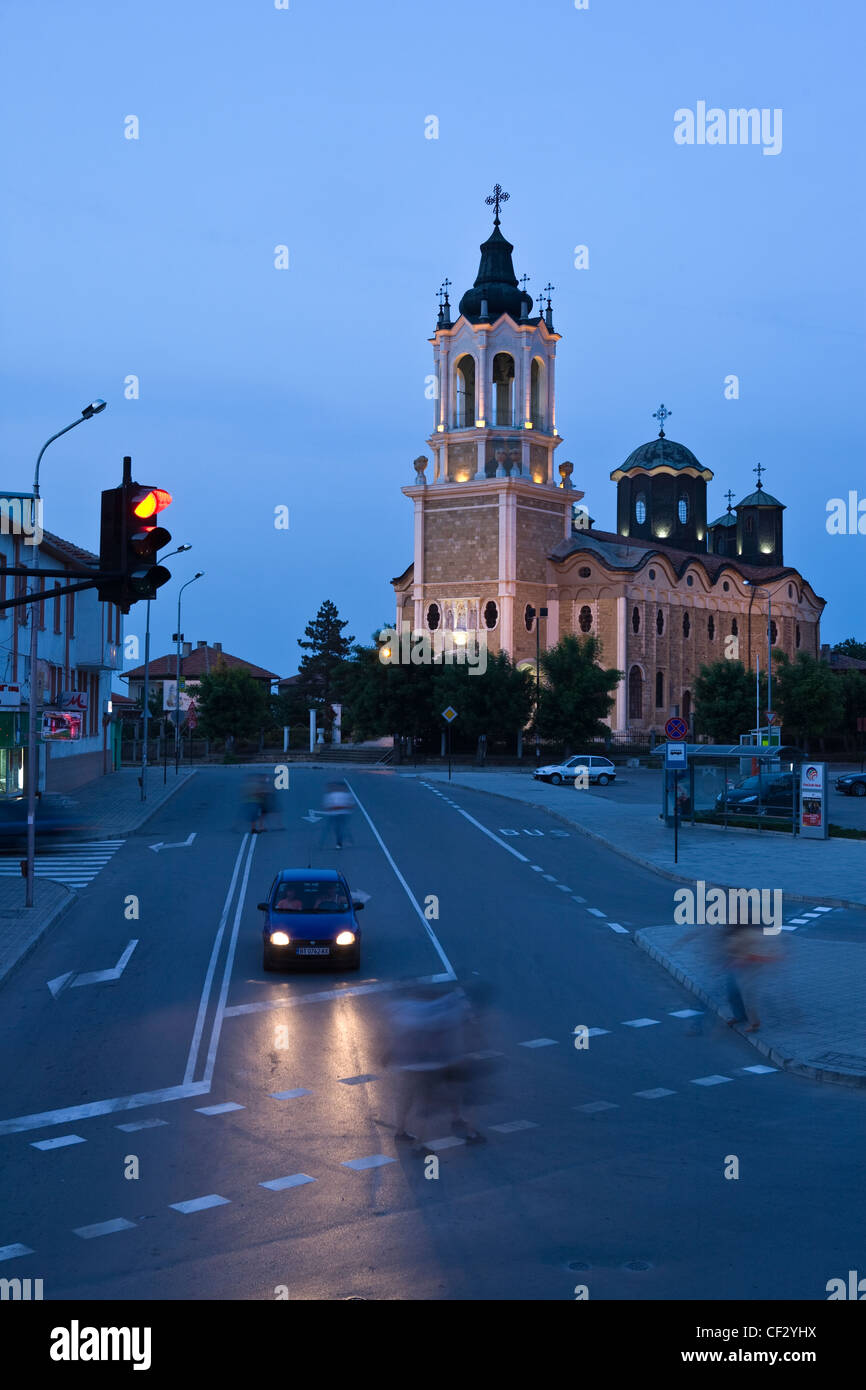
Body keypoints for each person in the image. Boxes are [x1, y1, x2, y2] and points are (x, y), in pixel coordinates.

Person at [319, 781, 355, 849]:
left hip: (343, 813)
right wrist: (337, 807)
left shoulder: (347, 795)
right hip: (333, 814)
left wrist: (340, 807)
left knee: (340, 828)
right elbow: (327, 806)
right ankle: (322, 843)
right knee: (333, 828)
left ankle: (339, 843)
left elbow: (351, 805)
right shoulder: (330, 795)